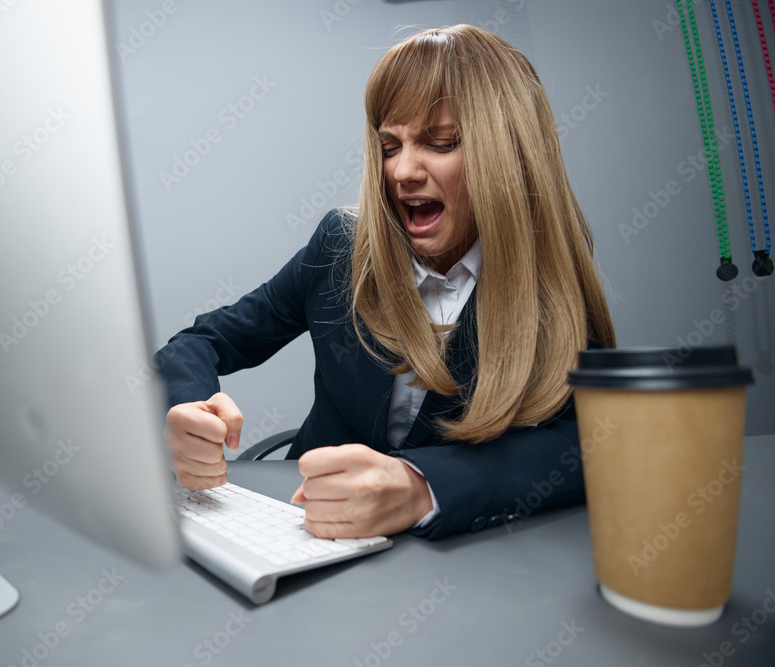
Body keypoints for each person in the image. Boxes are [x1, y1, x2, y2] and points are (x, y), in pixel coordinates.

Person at [156, 24, 615, 541]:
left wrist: (423, 486)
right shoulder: (339, 247)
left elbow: (592, 444)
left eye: (439, 143)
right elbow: (200, 342)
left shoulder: (553, 287)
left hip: (458, 558)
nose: (402, 171)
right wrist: (186, 407)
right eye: (389, 146)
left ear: (509, 155)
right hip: (302, 526)